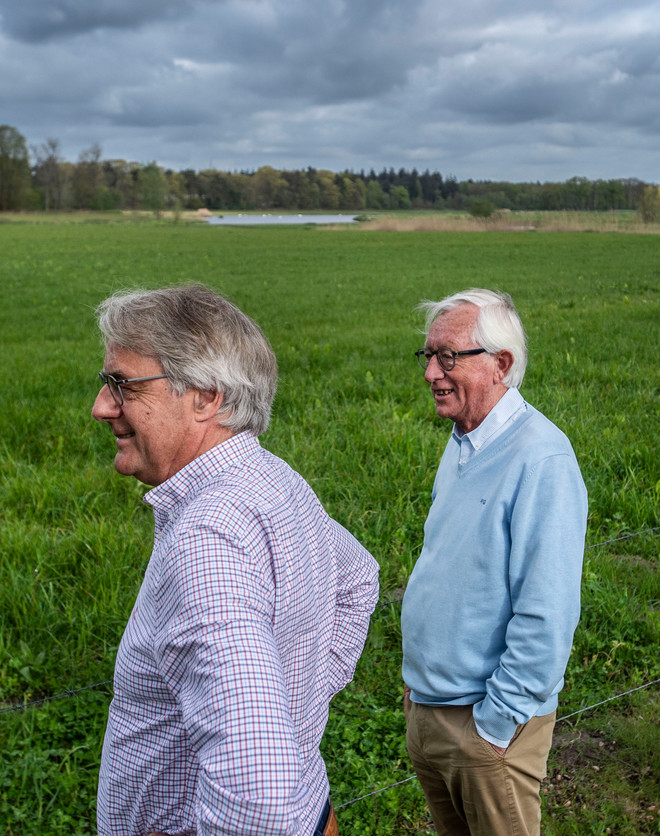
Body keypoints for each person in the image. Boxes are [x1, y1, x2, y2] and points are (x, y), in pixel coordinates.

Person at [91, 283, 379, 836]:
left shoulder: (207, 540)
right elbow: (359, 577)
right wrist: (299, 701)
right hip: (311, 808)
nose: (102, 406)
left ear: (205, 396)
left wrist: (281, 724)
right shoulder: (272, 478)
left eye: (121, 385)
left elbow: (260, 797)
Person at [401, 288, 587, 836]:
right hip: (431, 710)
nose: (432, 372)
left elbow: (547, 613)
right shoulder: (464, 441)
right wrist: (420, 688)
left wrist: (495, 726)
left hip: (485, 729)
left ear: (501, 364)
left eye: (449, 357)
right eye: (428, 356)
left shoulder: (542, 459)